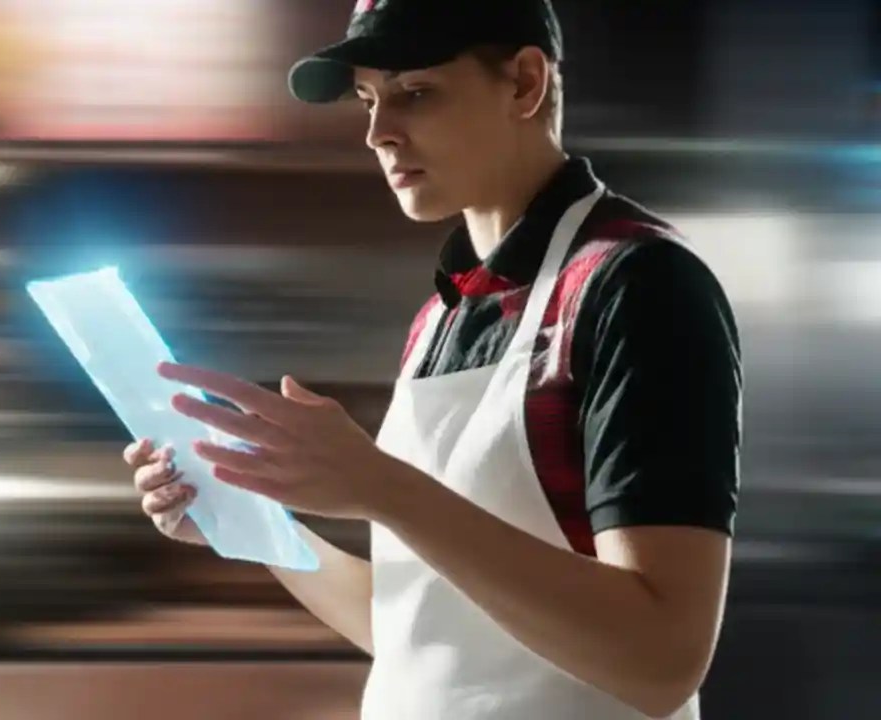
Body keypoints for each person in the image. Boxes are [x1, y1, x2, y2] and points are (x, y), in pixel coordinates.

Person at [123, 0, 742, 718]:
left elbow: (662, 659)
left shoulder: (639, 286)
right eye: (367, 100)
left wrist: (378, 485)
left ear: (525, 83)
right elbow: (417, 628)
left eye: (415, 92)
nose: (378, 132)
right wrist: (248, 521)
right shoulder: (440, 318)